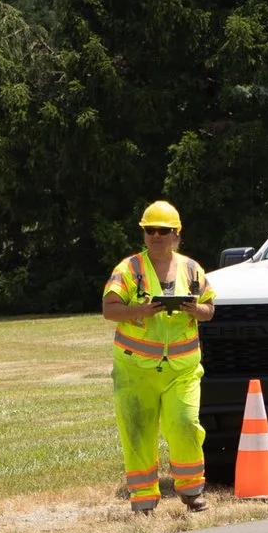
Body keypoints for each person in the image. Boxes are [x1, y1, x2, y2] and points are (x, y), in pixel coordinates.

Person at [102, 200, 218, 513]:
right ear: (144, 234)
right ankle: (143, 502)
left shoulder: (192, 269)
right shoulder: (128, 269)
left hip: (182, 369)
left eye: (164, 231)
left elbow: (210, 310)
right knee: (137, 433)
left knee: (185, 425)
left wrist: (197, 309)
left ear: (176, 235)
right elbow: (109, 310)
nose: (157, 235)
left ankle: (191, 492)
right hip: (135, 371)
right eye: (150, 230)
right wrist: (139, 310)